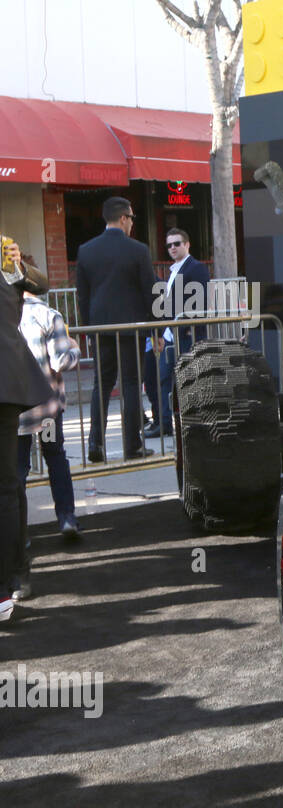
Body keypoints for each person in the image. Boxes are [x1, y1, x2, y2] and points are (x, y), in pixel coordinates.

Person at [75, 196, 157, 462]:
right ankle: (132, 445)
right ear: (123, 218)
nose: (132, 223)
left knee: (102, 384)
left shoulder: (86, 250)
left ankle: (95, 445)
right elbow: (150, 293)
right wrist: (157, 329)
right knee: (132, 384)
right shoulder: (138, 250)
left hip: (101, 327)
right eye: (131, 218)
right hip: (131, 327)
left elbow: (82, 296)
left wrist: (89, 328)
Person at [0, 237, 55, 623]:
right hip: (8, 384)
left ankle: (14, 576)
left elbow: (41, 283)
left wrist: (17, 265)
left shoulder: (7, 261)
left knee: (7, 486)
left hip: (6, 386)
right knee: (7, 487)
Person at [17, 286, 82, 596]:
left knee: (16, 473)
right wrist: (75, 347)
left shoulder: (7, 313)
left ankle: (19, 535)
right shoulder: (46, 315)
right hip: (46, 410)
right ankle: (66, 517)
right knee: (56, 458)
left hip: (13, 413)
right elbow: (61, 361)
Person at [143, 227, 209, 437]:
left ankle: (191, 423)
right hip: (171, 336)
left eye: (177, 243)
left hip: (187, 335)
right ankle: (164, 423)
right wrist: (163, 331)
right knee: (164, 380)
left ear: (187, 244)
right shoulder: (173, 271)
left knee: (188, 381)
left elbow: (201, 302)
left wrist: (183, 325)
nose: (172, 248)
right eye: (169, 244)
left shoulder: (196, 268)